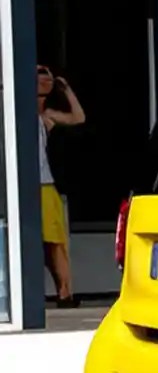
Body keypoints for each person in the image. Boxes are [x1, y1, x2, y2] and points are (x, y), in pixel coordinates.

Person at [36, 64, 84, 308]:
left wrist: (65, 89)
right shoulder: (16, 111)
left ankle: (65, 293)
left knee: (54, 242)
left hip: (45, 184)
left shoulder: (47, 115)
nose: (44, 81)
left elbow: (78, 118)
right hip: (23, 185)